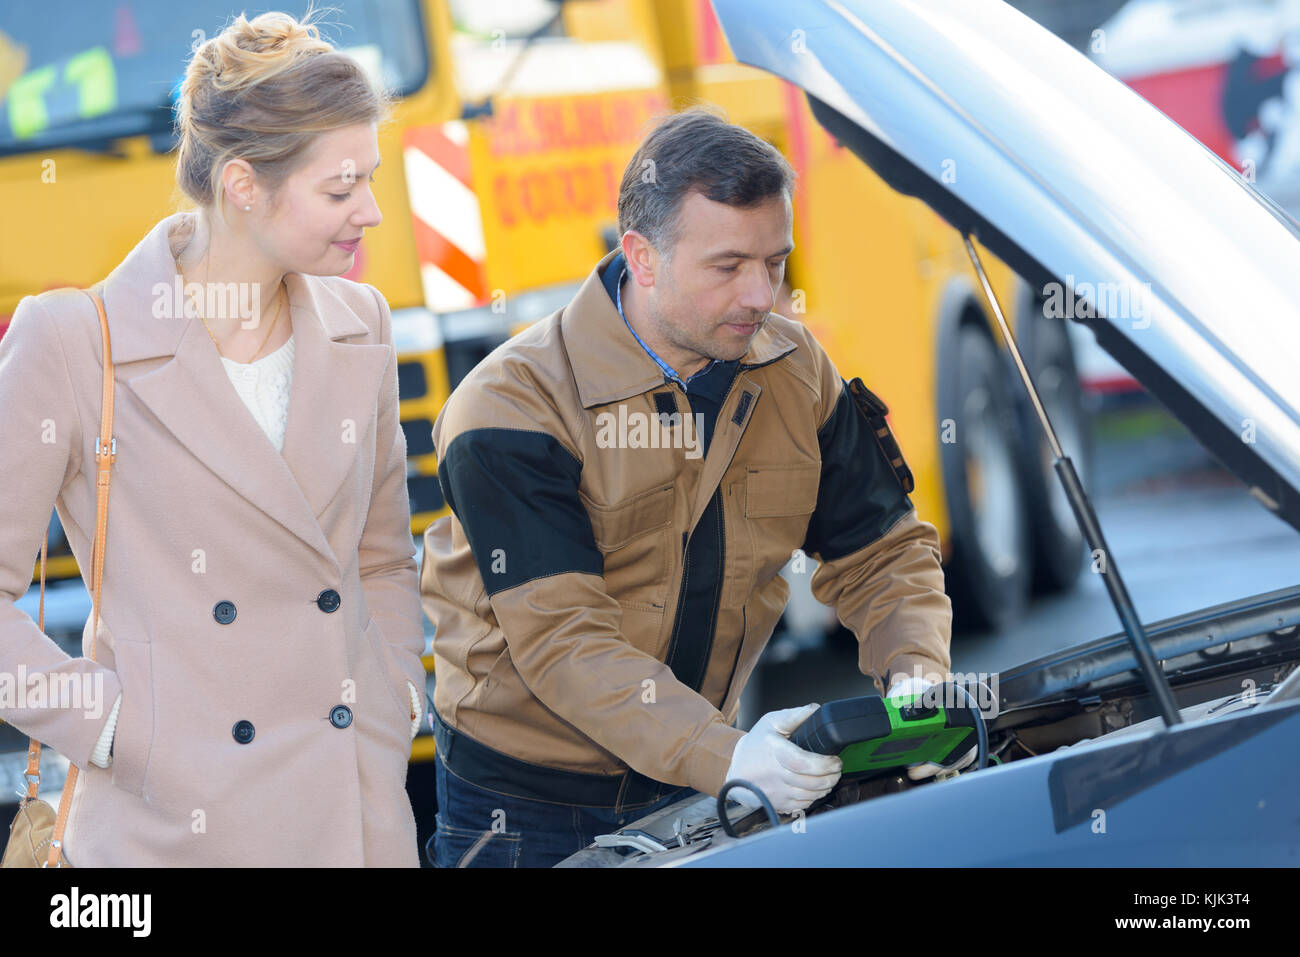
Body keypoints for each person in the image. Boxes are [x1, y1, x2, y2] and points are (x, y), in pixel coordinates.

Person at [419, 106, 970, 869]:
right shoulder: (511, 407)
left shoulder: (795, 368)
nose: (761, 295)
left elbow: (883, 554)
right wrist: (731, 756)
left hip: (700, 776)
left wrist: (916, 681)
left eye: (775, 262)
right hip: (525, 810)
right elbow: (564, 642)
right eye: (728, 266)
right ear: (642, 257)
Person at [0, 9, 425, 866]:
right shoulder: (76, 339)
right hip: (169, 835)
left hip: (356, 814)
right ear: (242, 184)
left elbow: (380, 558)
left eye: (370, 180)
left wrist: (397, 698)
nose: (372, 212)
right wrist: (117, 727)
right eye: (341, 189)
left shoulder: (360, 320)